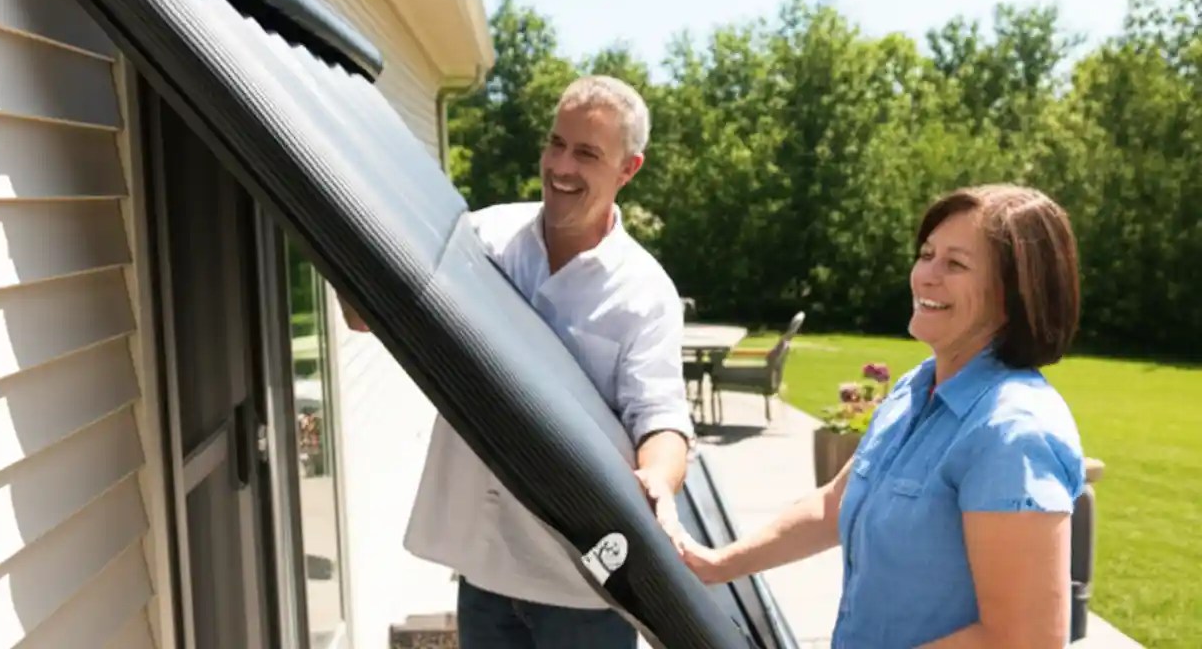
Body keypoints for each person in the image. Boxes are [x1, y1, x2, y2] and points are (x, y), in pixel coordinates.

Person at [339, 75, 694, 648]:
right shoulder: (482, 239)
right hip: (485, 573)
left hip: (582, 589)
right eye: (556, 143)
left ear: (629, 169)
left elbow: (662, 419)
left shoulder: (643, 293)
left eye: (586, 153)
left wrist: (656, 479)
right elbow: (366, 316)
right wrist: (339, 234)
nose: (561, 166)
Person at [679, 184, 1086, 649]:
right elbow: (833, 506)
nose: (925, 276)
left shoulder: (1012, 432)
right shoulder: (916, 389)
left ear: (1016, 293)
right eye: (926, 254)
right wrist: (717, 564)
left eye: (955, 264)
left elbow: (1023, 641)